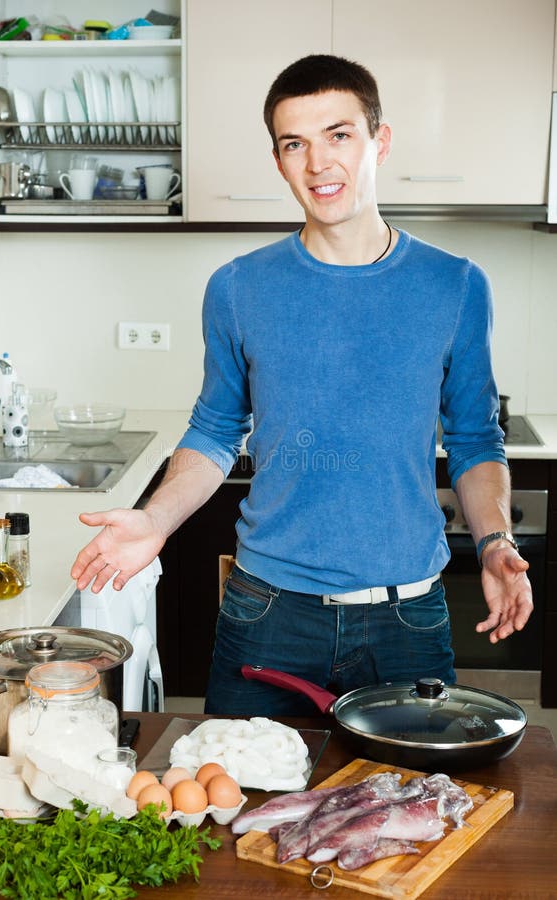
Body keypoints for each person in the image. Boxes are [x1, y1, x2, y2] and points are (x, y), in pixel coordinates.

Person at [71, 54, 533, 716]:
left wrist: (494, 542)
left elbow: (474, 438)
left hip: (407, 619)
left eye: (339, 135)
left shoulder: (455, 285)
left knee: (414, 809)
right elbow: (215, 427)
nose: (319, 164)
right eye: (296, 144)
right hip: (267, 613)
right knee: (241, 811)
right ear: (279, 159)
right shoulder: (237, 287)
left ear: (380, 140)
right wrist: (156, 520)